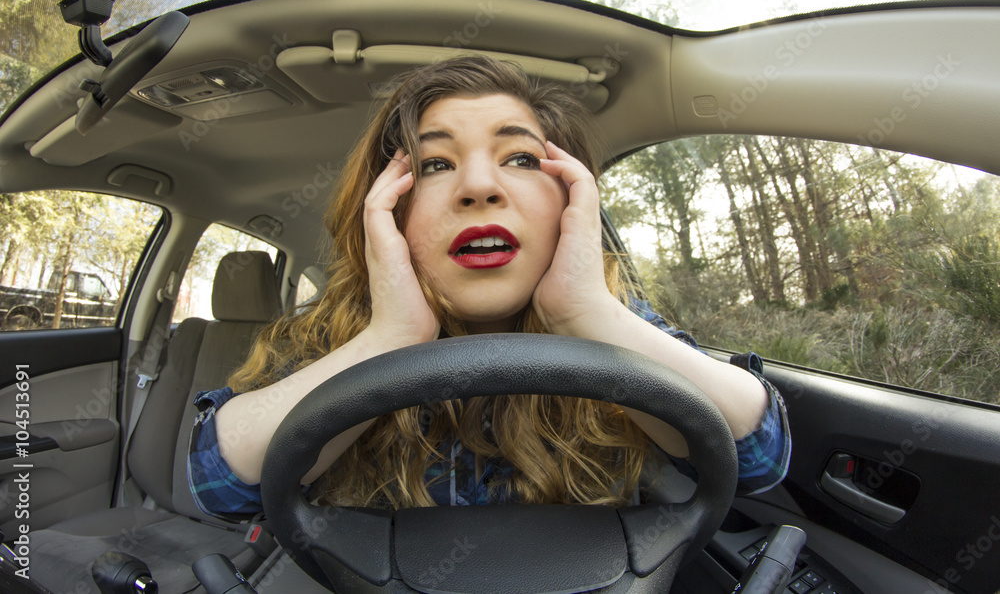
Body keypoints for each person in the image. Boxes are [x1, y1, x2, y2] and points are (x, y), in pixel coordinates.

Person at [187, 55, 790, 517]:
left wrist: (585, 313)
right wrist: (391, 337)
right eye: (435, 165)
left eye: (520, 159)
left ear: (570, 201)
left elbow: (760, 457)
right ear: (389, 212)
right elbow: (221, 484)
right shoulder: (337, 331)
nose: (478, 186)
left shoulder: (616, 318)